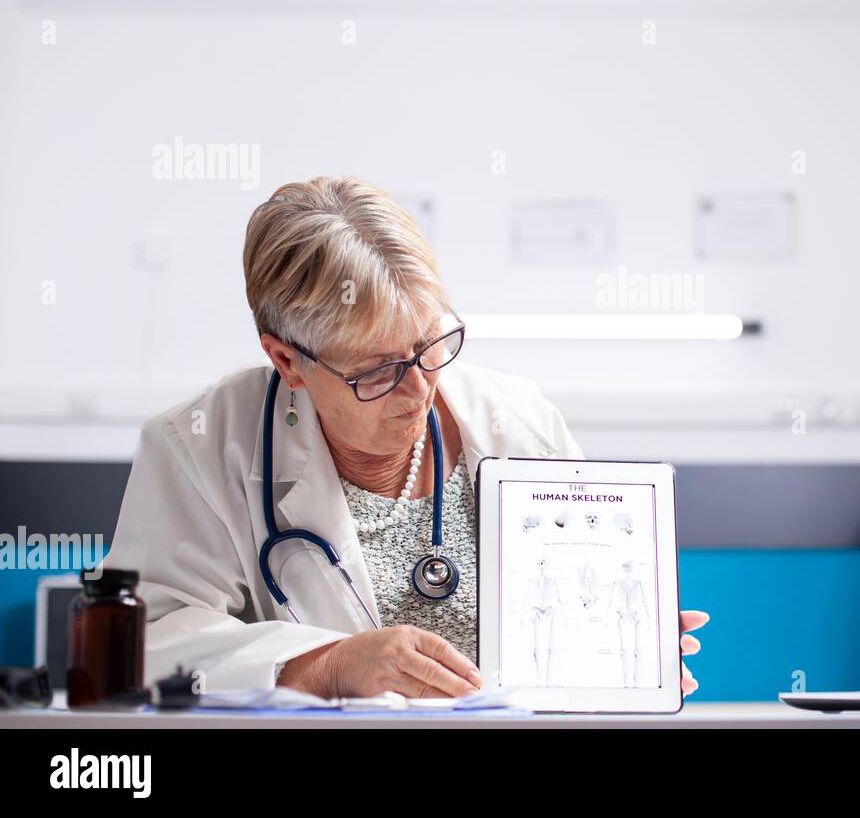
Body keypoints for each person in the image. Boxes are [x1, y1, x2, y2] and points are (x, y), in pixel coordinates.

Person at [104, 176, 708, 698]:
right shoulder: (201, 447)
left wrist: (613, 659)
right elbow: (138, 649)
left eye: (429, 346)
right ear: (287, 360)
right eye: (377, 371)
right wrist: (328, 666)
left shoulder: (517, 420)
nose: (419, 388)